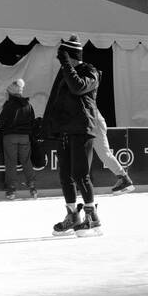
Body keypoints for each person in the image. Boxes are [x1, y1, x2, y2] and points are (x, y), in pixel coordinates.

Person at [44, 35, 103, 236]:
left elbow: (78, 87)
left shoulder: (90, 71)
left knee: (80, 175)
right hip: (65, 130)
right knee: (65, 176)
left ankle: (92, 218)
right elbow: (54, 99)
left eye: (64, 56)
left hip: (82, 129)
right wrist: (47, 126)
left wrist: (66, 64)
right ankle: (72, 215)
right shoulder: (64, 72)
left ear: (70, 56)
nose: (61, 60)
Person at [0, 78, 37, 201]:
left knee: (11, 163)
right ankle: (33, 188)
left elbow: (0, 123)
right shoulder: (28, 105)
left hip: (10, 137)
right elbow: (32, 121)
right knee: (26, 161)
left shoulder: (9, 105)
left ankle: (11, 190)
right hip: (25, 138)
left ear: (10, 92)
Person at [90, 110, 135, 194]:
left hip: (93, 122)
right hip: (87, 122)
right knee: (81, 153)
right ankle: (81, 183)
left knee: (104, 153)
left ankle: (124, 179)